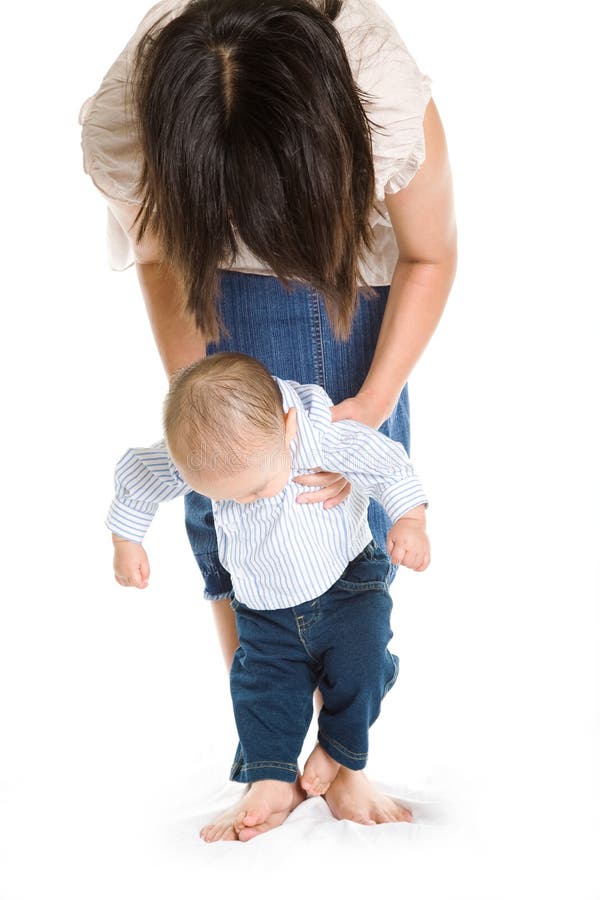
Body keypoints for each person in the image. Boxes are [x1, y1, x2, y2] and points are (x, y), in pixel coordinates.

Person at [79, 0, 457, 830]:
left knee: (353, 553)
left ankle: (346, 758)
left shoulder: (378, 88)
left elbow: (430, 253)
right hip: (216, 309)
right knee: (229, 538)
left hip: (347, 304)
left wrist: (369, 407)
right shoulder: (140, 109)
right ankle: (270, 761)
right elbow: (159, 260)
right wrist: (201, 400)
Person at [107, 351, 430, 842]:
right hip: (263, 606)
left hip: (346, 584)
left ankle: (338, 750)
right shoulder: (200, 453)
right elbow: (140, 475)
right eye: (225, 497)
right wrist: (126, 540)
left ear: (287, 426)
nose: (242, 502)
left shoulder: (316, 430)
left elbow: (384, 461)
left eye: (255, 490)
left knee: (363, 665)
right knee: (261, 690)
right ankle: (272, 779)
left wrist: (411, 519)